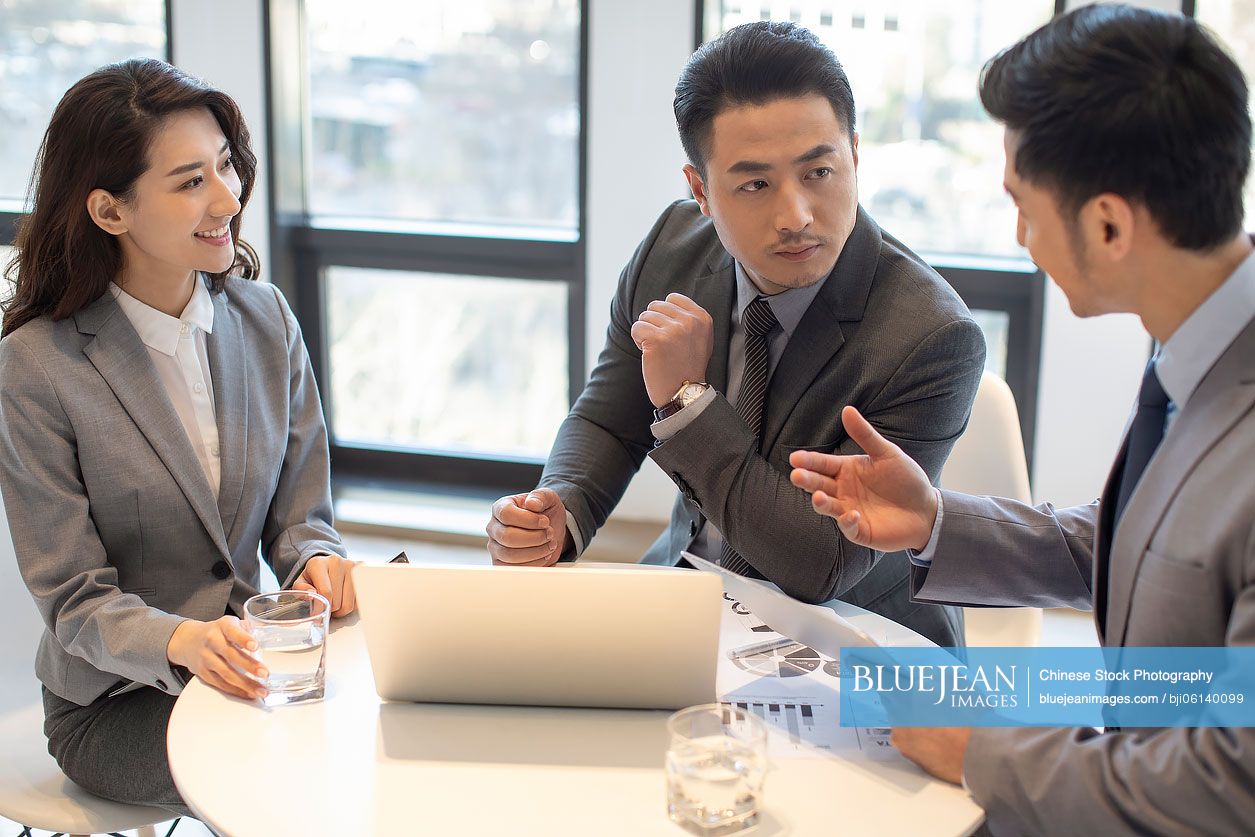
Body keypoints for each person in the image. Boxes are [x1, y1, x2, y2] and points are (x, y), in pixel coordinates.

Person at [790, 6, 1255, 833]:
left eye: (1023, 206)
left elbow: (1232, 783)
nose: (1021, 239)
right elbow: (1144, 544)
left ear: (1108, 223)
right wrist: (934, 521)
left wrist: (983, 748)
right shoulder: (1200, 349)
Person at [485, 21, 985, 645]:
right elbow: (609, 420)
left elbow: (820, 562)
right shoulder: (672, 252)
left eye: (819, 173)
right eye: (754, 185)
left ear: (855, 155)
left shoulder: (932, 335)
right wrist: (559, 510)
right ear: (699, 189)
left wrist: (688, 404)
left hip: (859, 638)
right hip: (689, 595)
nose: (796, 216)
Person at [0, 58, 356, 818]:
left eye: (225, 164)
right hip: (115, 703)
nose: (228, 197)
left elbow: (301, 519)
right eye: (190, 180)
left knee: (371, 736)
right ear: (109, 210)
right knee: (298, 771)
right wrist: (183, 641)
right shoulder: (35, 366)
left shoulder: (266, 320)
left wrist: (316, 562)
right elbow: (73, 599)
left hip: (255, 672)